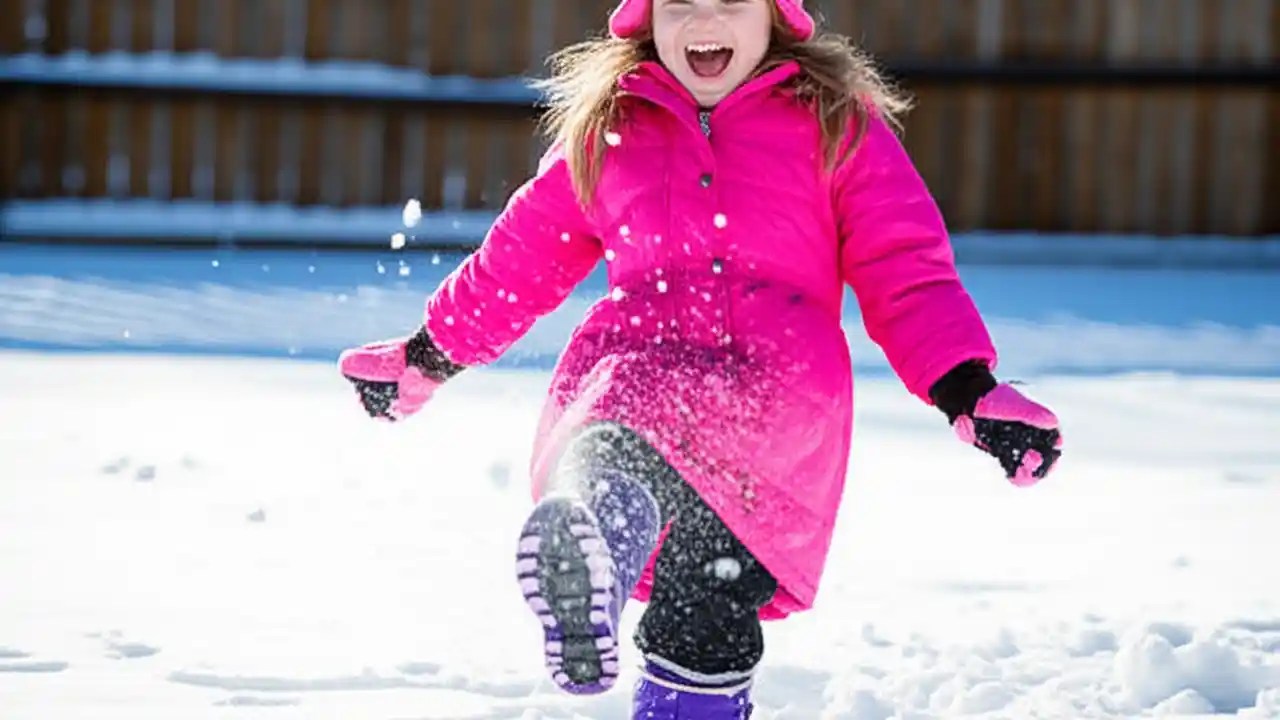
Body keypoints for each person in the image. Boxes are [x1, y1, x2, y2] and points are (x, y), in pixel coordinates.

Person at [338, 0, 1064, 716]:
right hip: (640, 373)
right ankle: (590, 562)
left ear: (778, 16)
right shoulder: (612, 125)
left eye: (730, 3)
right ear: (645, 16)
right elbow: (522, 257)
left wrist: (968, 389)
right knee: (612, 448)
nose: (702, 21)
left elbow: (904, 269)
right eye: (679, 3)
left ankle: (635, 609)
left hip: (772, 411)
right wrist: (427, 356)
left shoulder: (835, 124)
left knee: (707, 606)